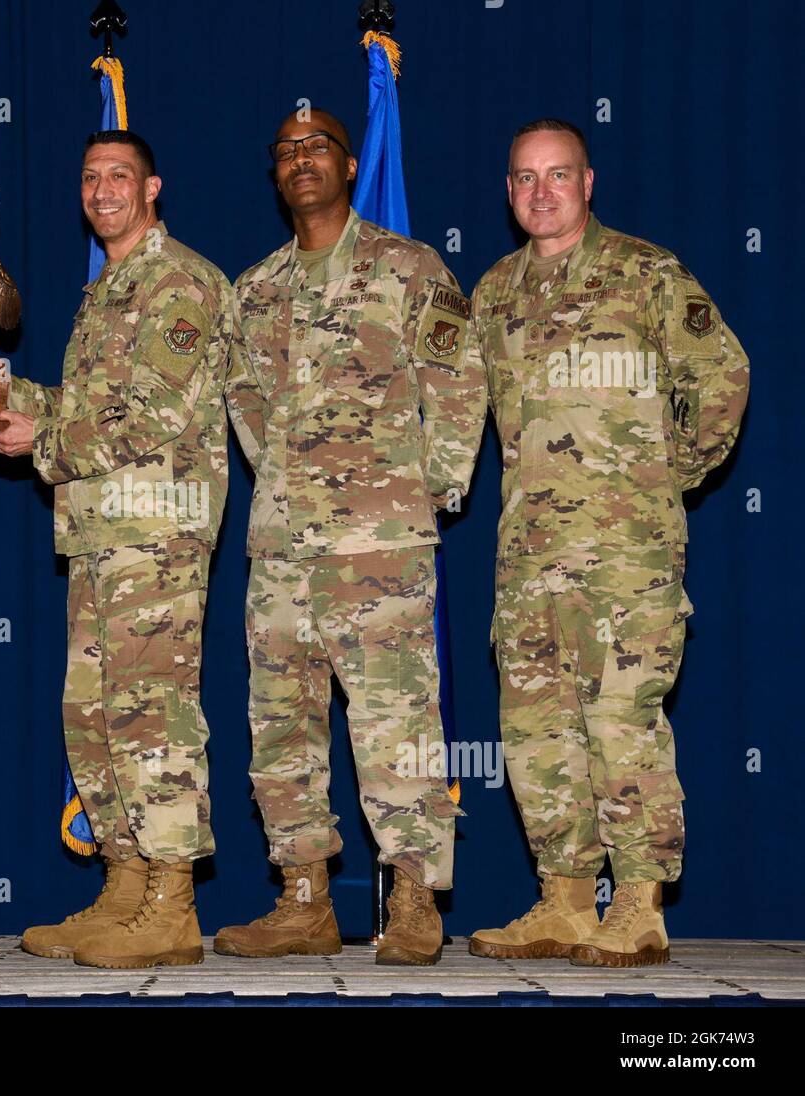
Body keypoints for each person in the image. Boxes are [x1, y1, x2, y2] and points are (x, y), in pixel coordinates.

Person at [468, 119, 749, 967]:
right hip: (527, 559)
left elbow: (722, 375)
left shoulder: (647, 273)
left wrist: (664, 477)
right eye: (525, 178)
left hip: (625, 556)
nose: (542, 192)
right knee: (536, 733)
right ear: (508, 191)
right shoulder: (493, 293)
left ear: (587, 183)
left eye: (558, 174)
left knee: (622, 723)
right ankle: (564, 900)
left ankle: (637, 905)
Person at [217, 109, 487, 965]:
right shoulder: (254, 288)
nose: (302, 161)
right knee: (280, 723)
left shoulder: (408, 267)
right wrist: (284, 477)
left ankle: (414, 896)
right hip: (281, 545)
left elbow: (456, 380)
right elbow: (244, 400)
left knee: (396, 719)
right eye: (286, 151)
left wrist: (429, 486)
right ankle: (302, 898)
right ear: (276, 172)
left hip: (379, 542)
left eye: (318, 148)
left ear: (347, 162)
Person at [0, 130, 231, 969]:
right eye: (90, 177)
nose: (103, 190)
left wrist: (38, 442)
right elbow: (88, 405)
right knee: (93, 716)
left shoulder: (180, 281)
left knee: (152, 715)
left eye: (120, 175)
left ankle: (173, 905)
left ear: (153, 188)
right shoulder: (108, 290)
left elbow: (151, 414)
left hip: (156, 533)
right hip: (99, 534)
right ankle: (125, 888)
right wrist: (0, 394)